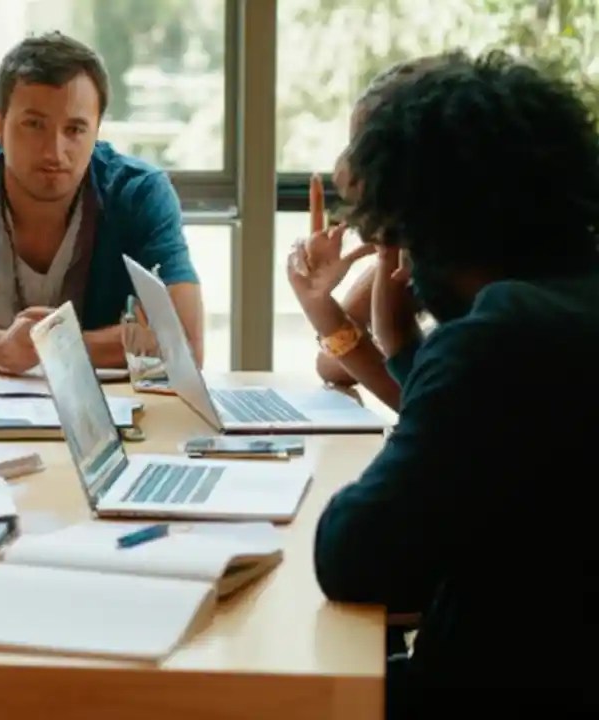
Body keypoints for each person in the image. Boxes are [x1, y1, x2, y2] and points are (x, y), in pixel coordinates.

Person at [311, 51, 599, 715]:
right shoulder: (559, 315)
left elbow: (356, 557)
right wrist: (406, 349)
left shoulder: (498, 337)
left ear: (428, 225)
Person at [0, 32, 204, 373]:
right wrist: (0, 347)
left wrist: (55, 345)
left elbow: (185, 343)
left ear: (97, 130)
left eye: (75, 129)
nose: (54, 152)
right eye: (34, 125)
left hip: (108, 410)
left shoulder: (138, 194)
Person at [288, 57, 440, 411]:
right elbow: (332, 367)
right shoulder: (404, 249)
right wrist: (320, 302)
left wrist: (393, 331)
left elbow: (423, 404)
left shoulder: (478, 271)